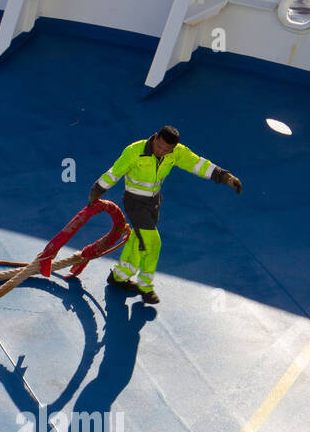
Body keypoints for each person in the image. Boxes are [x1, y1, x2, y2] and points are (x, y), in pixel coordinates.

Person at [88, 125, 241, 305]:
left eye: (166, 150)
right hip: (135, 203)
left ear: (173, 148)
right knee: (153, 243)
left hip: (153, 203)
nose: (161, 151)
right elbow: (114, 173)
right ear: (155, 137)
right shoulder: (134, 151)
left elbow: (198, 164)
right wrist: (96, 192)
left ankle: (118, 277)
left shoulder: (176, 153)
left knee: (139, 241)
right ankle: (145, 287)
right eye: (159, 146)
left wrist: (226, 178)